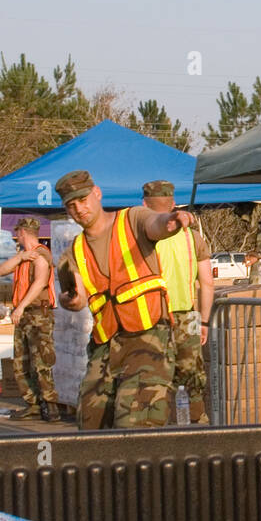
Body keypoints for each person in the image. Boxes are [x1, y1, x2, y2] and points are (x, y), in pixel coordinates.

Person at [54, 169, 194, 430]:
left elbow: (157, 224)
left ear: (97, 194)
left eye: (83, 200)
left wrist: (171, 221)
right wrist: (69, 300)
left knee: (137, 427)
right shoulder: (75, 249)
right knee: (90, 427)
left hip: (148, 339)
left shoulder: (132, 218)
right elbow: (78, 297)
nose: (79, 209)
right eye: (71, 205)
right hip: (104, 346)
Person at [142, 180, 214, 423]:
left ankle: (157, 426)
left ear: (144, 205)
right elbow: (207, 283)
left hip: (153, 317)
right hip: (190, 316)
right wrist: (204, 321)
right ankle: (196, 423)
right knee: (192, 374)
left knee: (154, 375)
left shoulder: (143, 236)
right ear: (173, 203)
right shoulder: (192, 238)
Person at [0, 218, 61, 423]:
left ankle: (50, 406)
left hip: (38, 314)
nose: (17, 236)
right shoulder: (24, 256)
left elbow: (40, 281)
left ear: (23, 232)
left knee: (42, 361)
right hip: (24, 315)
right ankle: (32, 404)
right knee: (21, 361)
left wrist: (22, 305)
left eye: (18, 233)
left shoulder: (41, 254)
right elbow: (1, 271)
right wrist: (21, 257)